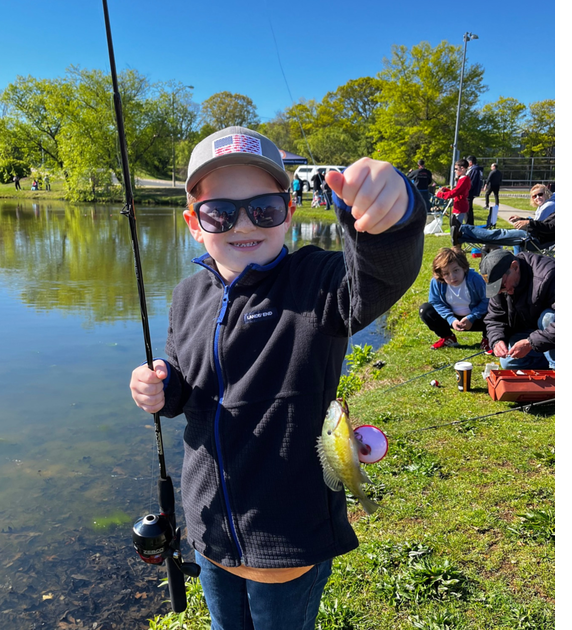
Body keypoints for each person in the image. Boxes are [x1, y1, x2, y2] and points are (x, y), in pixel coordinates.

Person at [128, 126, 425, 629]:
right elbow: (184, 382)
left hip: (288, 537)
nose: (243, 224)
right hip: (210, 528)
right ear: (194, 225)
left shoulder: (318, 283)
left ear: (288, 212)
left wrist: (394, 216)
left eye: (262, 208)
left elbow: (379, 277)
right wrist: (160, 386)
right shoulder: (186, 295)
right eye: (219, 212)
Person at [480, 249, 554, 370]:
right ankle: (548, 362)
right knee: (509, 362)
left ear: (515, 267)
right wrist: (497, 340)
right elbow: (495, 318)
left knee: (548, 318)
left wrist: (531, 343)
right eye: (496, 288)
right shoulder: (500, 285)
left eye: (502, 285)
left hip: (549, 331)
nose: (500, 291)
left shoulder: (549, 274)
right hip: (532, 335)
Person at [419, 247, 488, 349]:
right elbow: (435, 302)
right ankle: (448, 337)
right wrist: (451, 319)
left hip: (477, 318)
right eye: (446, 274)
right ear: (441, 275)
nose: (452, 277)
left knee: (498, 309)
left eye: (456, 270)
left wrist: (472, 317)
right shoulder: (436, 282)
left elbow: (487, 300)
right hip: (453, 319)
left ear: (464, 268)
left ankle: (488, 338)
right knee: (425, 310)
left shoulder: (475, 279)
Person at [435, 159, 471, 227]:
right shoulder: (462, 178)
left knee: (456, 226)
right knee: (455, 225)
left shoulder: (464, 179)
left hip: (460, 205)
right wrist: (445, 190)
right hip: (459, 204)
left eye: (456, 169)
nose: (455, 171)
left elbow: (456, 192)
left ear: (462, 168)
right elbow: (457, 191)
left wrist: (440, 194)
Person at [465, 156, 483, 226]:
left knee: (468, 208)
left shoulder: (474, 170)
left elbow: (472, 182)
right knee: (469, 208)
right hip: (472, 191)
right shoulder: (477, 169)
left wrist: (467, 190)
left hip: (470, 192)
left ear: (470, 162)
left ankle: (469, 223)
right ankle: (469, 223)